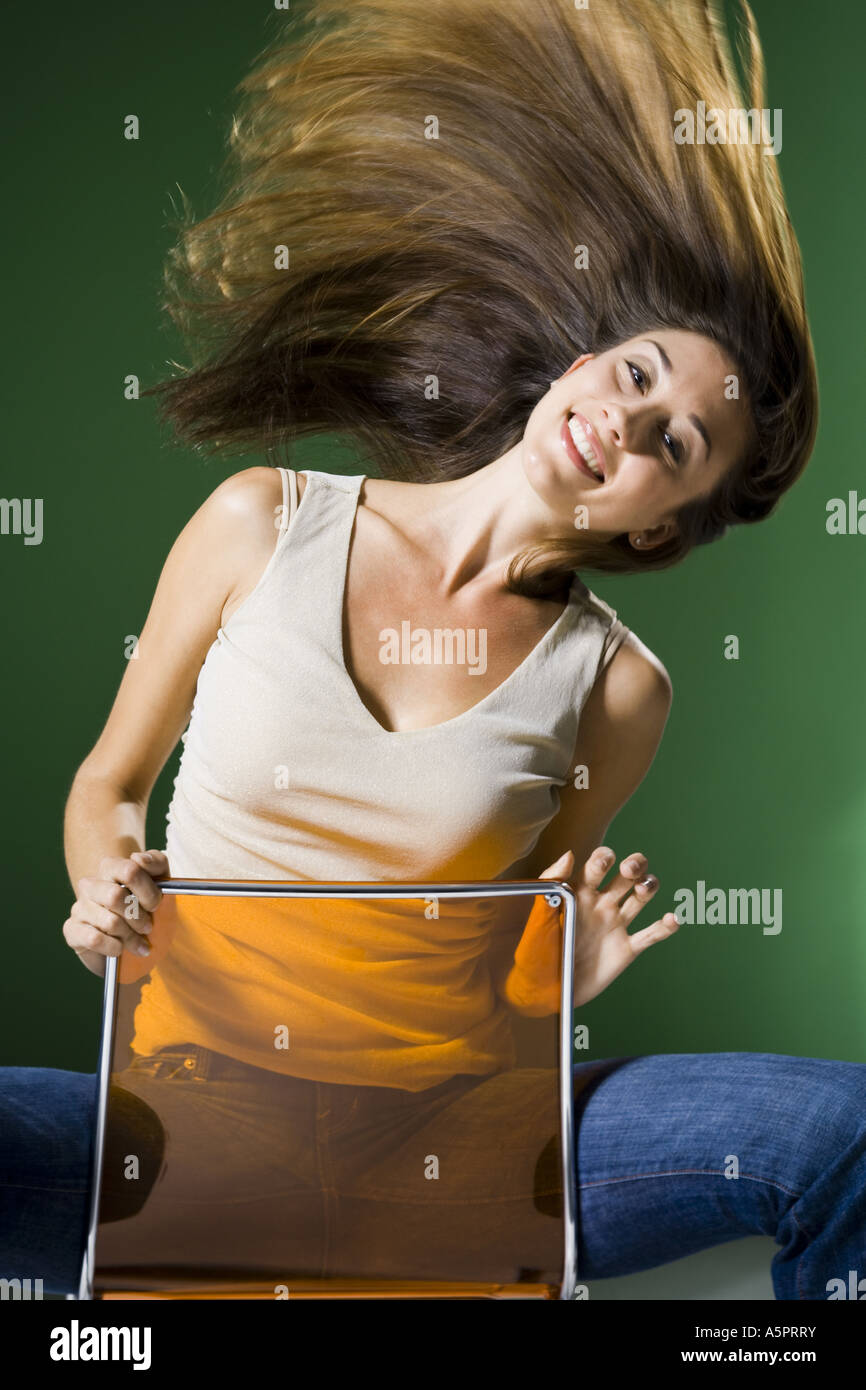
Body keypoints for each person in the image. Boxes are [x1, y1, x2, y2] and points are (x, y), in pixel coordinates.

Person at [2, 0, 863, 1298]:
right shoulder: (263, 524)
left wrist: (560, 970)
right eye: (635, 376)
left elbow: (504, 961)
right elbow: (106, 786)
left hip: (449, 1137)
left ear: (664, 524)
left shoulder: (616, 684)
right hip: (187, 1123)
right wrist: (106, 896)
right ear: (580, 360)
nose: (626, 428)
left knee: (842, 1135)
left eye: (673, 446)